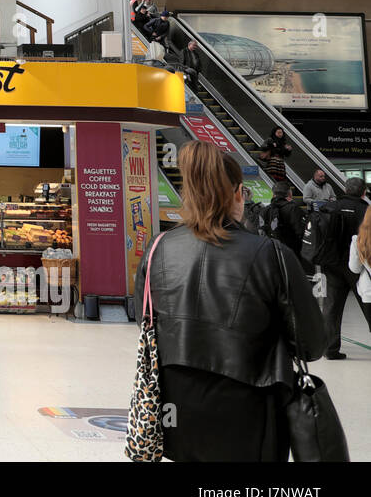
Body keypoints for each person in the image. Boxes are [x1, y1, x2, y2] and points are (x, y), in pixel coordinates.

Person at [134, 141, 325, 461]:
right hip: (250, 407)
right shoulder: (271, 255)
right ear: (238, 193)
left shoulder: (157, 250)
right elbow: (311, 345)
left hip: (176, 406)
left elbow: (147, 323)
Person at [321, 178, 371, 359]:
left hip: (332, 264)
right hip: (359, 267)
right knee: (368, 305)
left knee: (331, 308)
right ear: (363, 192)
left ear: (344, 189)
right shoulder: (366, 210)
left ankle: (330, 349)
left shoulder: (330, 207)